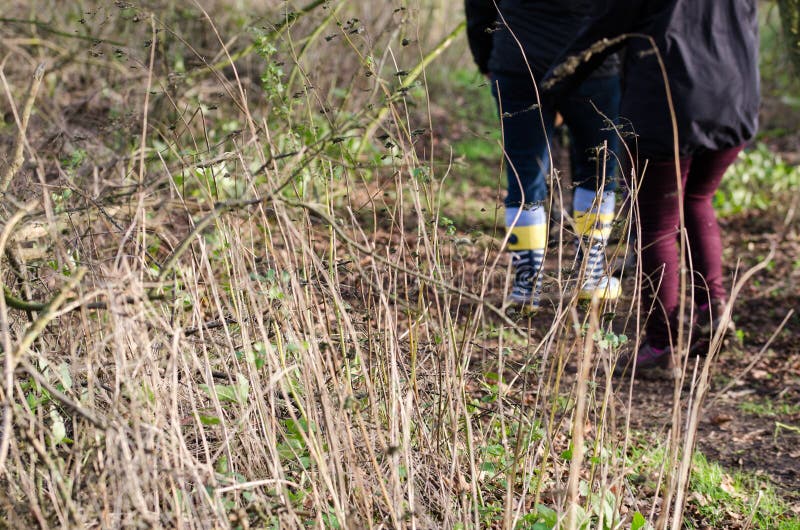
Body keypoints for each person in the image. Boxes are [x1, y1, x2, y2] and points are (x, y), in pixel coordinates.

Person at [544, 0, 760, 370]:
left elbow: (606, 26)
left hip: (671, 104)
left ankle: (663, 342)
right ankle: (712, 308)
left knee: (656, 226)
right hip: (735, 99)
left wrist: (553, 84)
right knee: (697, 199)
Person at [465, 1, 623, 311]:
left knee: (524, 174)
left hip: (518, 63)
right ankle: (590, 277)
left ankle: (526, 286)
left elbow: (479, 6)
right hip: (593, 64)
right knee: (598, 169)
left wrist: (487, 56)